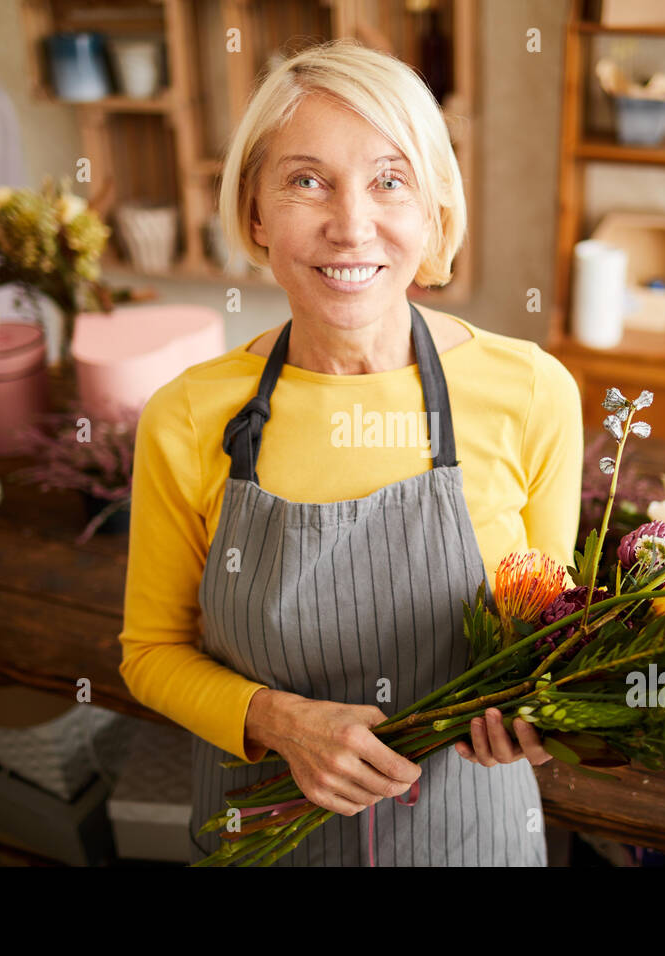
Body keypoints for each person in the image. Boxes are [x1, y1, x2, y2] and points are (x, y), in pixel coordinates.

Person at [118, 39, 583, 866]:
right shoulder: (187, 416)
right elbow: (151, 654)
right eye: (306, 181)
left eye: (389, 180)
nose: (350, 223)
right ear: (256, 213)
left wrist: (543, 719)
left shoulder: (533, 393)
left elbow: (550, 643)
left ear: (434, 210)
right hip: (263, 836)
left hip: (470, 837)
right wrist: (275, 721)